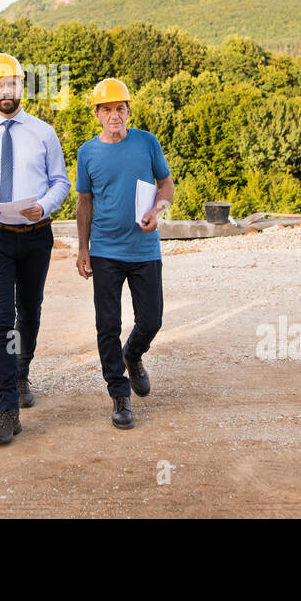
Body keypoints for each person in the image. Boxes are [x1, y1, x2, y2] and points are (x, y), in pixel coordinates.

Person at [0, 53, 70, 445]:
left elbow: (61, 181)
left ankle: (22, 371)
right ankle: (7, 407)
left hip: (36, 234)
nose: (6, 91)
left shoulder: (44, 132)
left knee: (30, 311)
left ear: (23, 87)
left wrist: (46, 204)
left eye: (13, 84)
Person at [74, 78, 175, 429]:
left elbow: (166, 183)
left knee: (152, 321)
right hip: (105, 251)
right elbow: (84, 201)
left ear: (128, 111)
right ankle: (119, 394)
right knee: (108, 324)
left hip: (144, 248)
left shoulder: (147, 143)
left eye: (120, 108)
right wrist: (83, 248)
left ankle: (132, 356)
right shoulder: (87, 152)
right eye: (107, 109)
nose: (114, 115)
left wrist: (159, 210)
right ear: (98, 115)